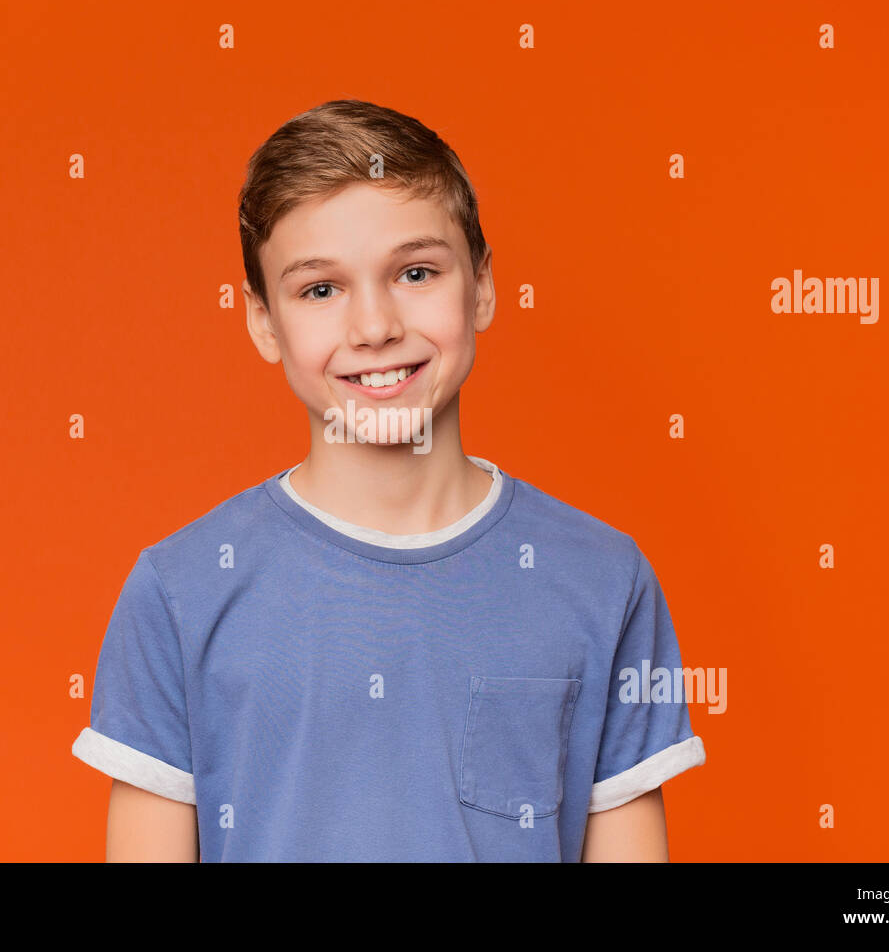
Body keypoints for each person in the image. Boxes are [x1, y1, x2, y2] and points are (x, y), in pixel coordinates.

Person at [71, 98, 706, 862]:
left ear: (482, 287)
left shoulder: (604, 580)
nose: (374, 327)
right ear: (264, 322)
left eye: (414, 272)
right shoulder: (180, 591)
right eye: (320, 289)